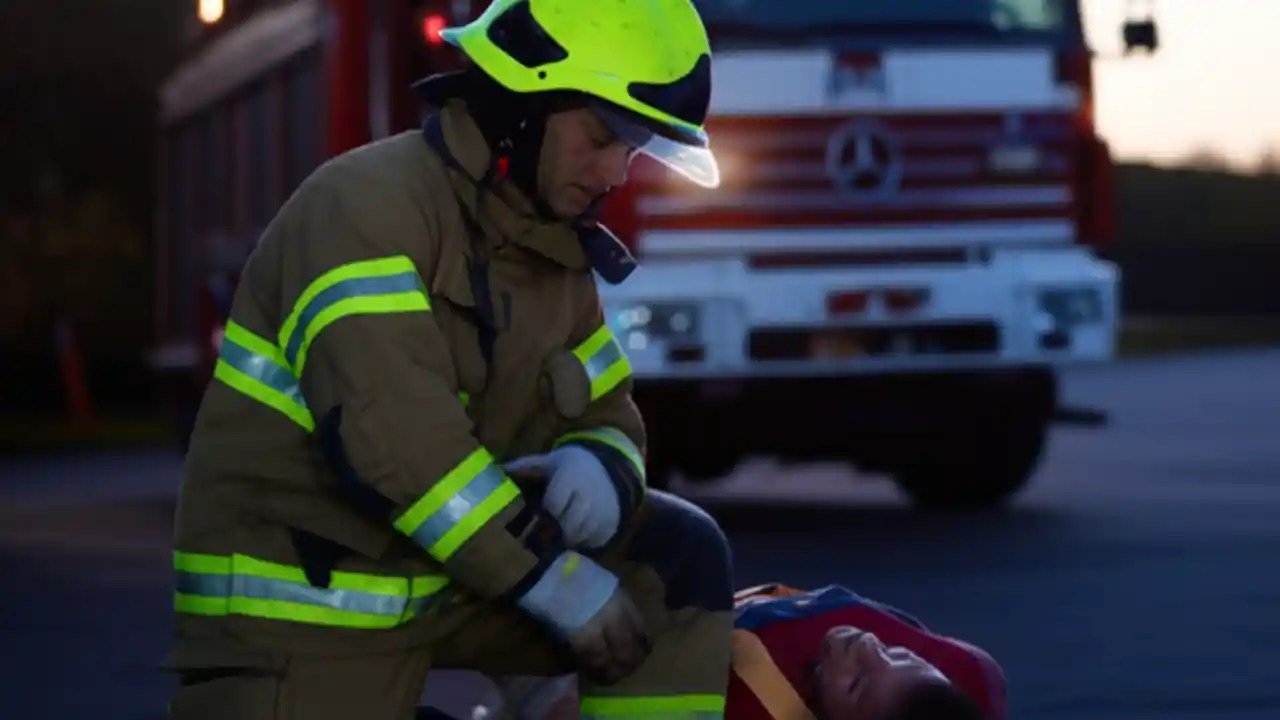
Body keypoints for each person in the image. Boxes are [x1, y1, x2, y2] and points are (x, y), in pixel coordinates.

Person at [163, 0, 735, 718]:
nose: (618, 170)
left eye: (634, 146)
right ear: (524, 104)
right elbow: (396, 443)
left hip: (447, 579)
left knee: (675, 562)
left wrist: (600, 470)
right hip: (305, 611)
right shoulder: (363, 207)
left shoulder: (553, 251)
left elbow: (608, 411)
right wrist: (551, 581)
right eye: (602, 136)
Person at [486, 584, 1006, 720]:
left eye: (858, 682)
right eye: (905, 659)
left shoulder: (750, 709)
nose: (867, 646)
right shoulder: (969, 676)